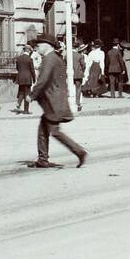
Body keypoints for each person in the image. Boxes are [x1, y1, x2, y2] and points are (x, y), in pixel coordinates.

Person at [28, 34, 87, 168]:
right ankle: (42, 159)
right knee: (43, 129)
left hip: (53, 101)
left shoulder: (49, 58)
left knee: (54, 131)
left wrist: (32, 95)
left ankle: (79, 152)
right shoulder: (55, 58)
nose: (37, 48)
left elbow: (43, 80)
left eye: (39, 45)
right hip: (54, 100)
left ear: (47, 45)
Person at [13, 44, 35, 114]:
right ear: (28, 50)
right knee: (27, 94)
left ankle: (19, 102)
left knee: (21, 91)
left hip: (20, 78)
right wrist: (34, 78)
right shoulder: (30, 59)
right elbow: (32, 70)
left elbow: (17, 68)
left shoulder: (19, 58)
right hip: (27, 78)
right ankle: (26, 110)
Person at [71, 45, 85, 112]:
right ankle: (77, 103)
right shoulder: (80, 56)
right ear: (77, 48)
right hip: (78, 74)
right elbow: (83, 65)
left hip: (70, 75)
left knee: (70, 89)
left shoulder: (67, 56)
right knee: (78, 89)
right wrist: (82, 71)